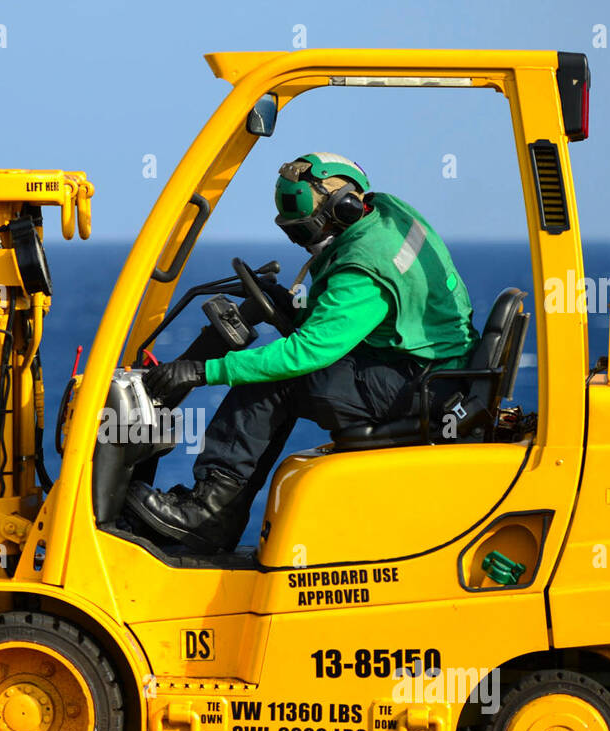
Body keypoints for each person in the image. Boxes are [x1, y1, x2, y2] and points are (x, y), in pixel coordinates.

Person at [125, 153, 479, 553]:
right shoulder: (383, 214)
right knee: (276, 372)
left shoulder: (363, 268)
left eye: (309, 231)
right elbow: (349, 323)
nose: (309, 242)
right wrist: (286, 306)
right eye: (298, 235)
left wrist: (203, 371)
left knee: (276, 381)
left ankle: (208, 513)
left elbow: (309, 352)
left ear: (343, 208)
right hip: (424, 367)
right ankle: (217, 513)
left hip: (420, 386)